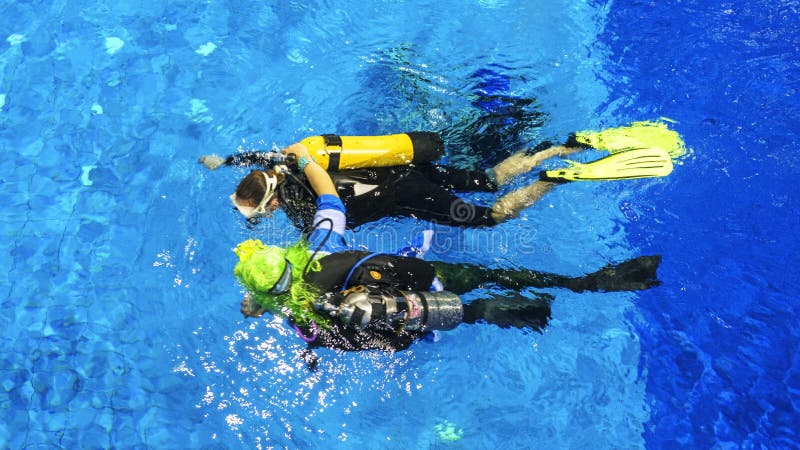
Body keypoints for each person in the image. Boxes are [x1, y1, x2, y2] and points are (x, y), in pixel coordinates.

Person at [231, 143, 662, 366]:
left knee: (471, 304)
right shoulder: (321, 241)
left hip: (411, 309)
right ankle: (556, 187)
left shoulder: (293, 310)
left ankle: (515, 309)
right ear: (282, 256)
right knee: (490, 213)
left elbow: (276, 302)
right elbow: (326, 191)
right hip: (419, 261)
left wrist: (256, 304)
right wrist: (305, 160)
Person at [201, 121, 684, 231]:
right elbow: (256, 157)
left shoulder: (307, 220)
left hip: (415, 198)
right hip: (409, 166)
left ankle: (554, 178)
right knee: (490, 178)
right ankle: (564, 145)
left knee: (492, 217)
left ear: (272, 205)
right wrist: (225, 160)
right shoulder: (286, 160)